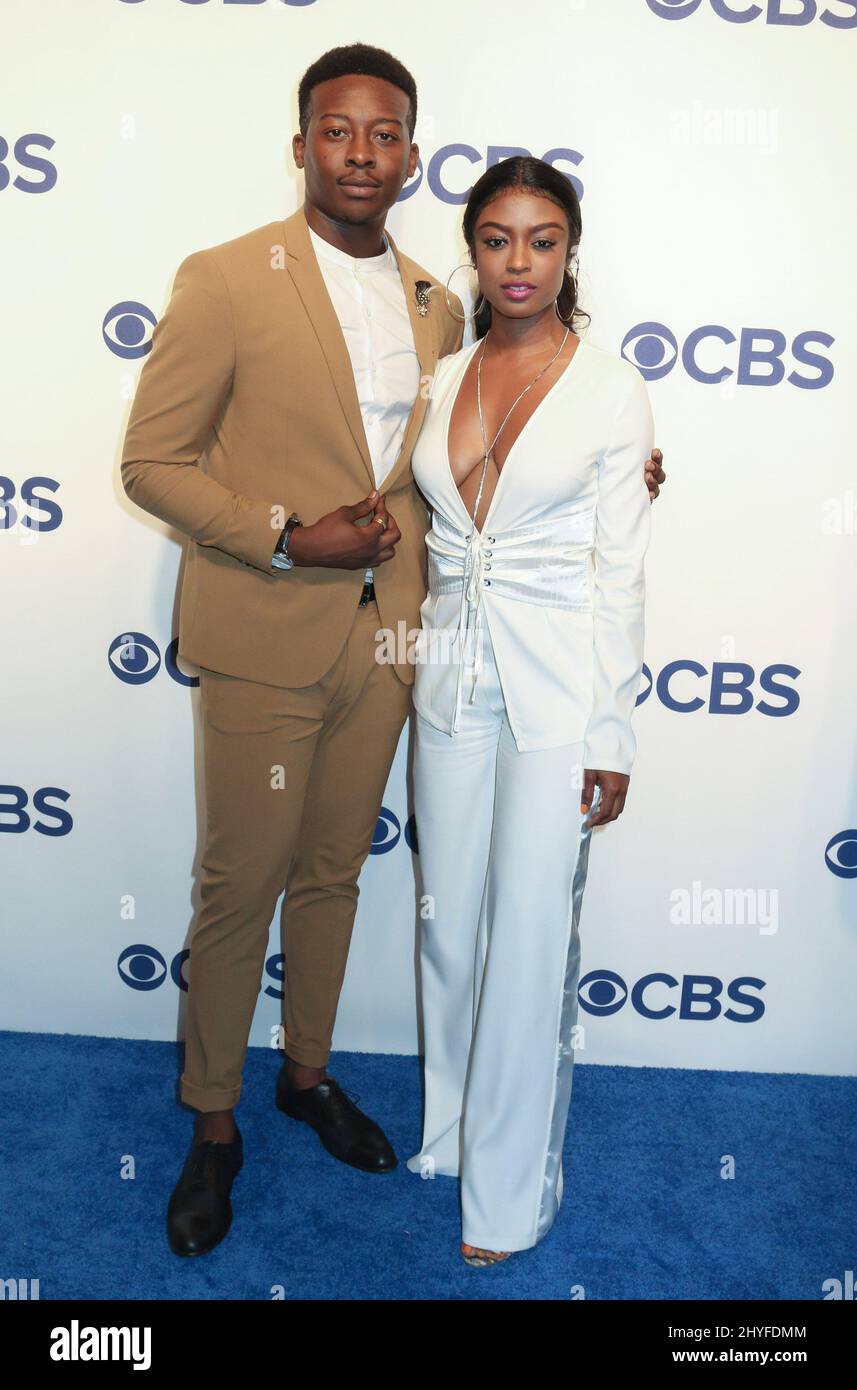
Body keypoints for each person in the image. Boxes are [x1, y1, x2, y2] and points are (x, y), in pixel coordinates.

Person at [120, 43, 666, 1259]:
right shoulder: (224, 279)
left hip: (405, 646)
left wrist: (615, 478)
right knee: (236, 888)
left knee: (335, 877)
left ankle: (304, 1074)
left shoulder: (437, 304)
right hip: (265, 630)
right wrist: (280, 535)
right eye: (337, 130)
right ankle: (212, 1120)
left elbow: (491, 464)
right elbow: (148, 464)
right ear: (301, 143)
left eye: (384, 134)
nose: (361, 153)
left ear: (412, 155)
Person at [405, 156, 655, 1267]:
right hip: (448, 672)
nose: (519, 262)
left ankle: (504, 1197)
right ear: (474, 248)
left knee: (524, 933)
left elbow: (620, 572)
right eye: (498, 239)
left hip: (558, 686)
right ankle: (452, 1131)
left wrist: (611, 730)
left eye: (541, 240)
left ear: (568, 251)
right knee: (447, 923)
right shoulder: (442, 370)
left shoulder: (609, 387)